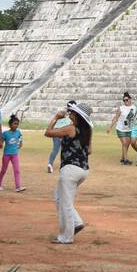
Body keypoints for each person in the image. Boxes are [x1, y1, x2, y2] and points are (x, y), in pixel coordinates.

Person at [43, 102, 93, 244]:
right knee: (60, 198)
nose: (69, 113)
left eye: (72, 112)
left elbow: (48, 132)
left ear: (77, 116)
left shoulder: (71, 128)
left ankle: (66, 236)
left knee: (65, 203)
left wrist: (56, 118)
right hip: (82, 169)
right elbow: (89, 150)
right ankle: (77, 223)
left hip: (70, 169)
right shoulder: (88, 129)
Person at [0, 115, 27, 193]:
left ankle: (18, 187)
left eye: (17, 124)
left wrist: (20, 144)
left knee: (17, 170)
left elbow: (20, 141)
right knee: (3, 170)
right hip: (7, 154)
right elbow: (1, 143)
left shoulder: (18, 132)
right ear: (10, 124)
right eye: (14, 124)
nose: (16, 125)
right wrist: (0, 144)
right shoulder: (5, 133)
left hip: (14, 154)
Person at [107, 93, 137, 165]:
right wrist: (110, 126)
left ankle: (122, 158)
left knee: (127, 144)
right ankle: (125, 160)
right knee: (124, 143)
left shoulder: (134, 107)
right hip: (121, 128)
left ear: (130, 99)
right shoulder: (121, 108)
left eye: (127, 100)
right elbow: (116, 118)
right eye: (124, 100)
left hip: (130, 129)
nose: (125, 101)